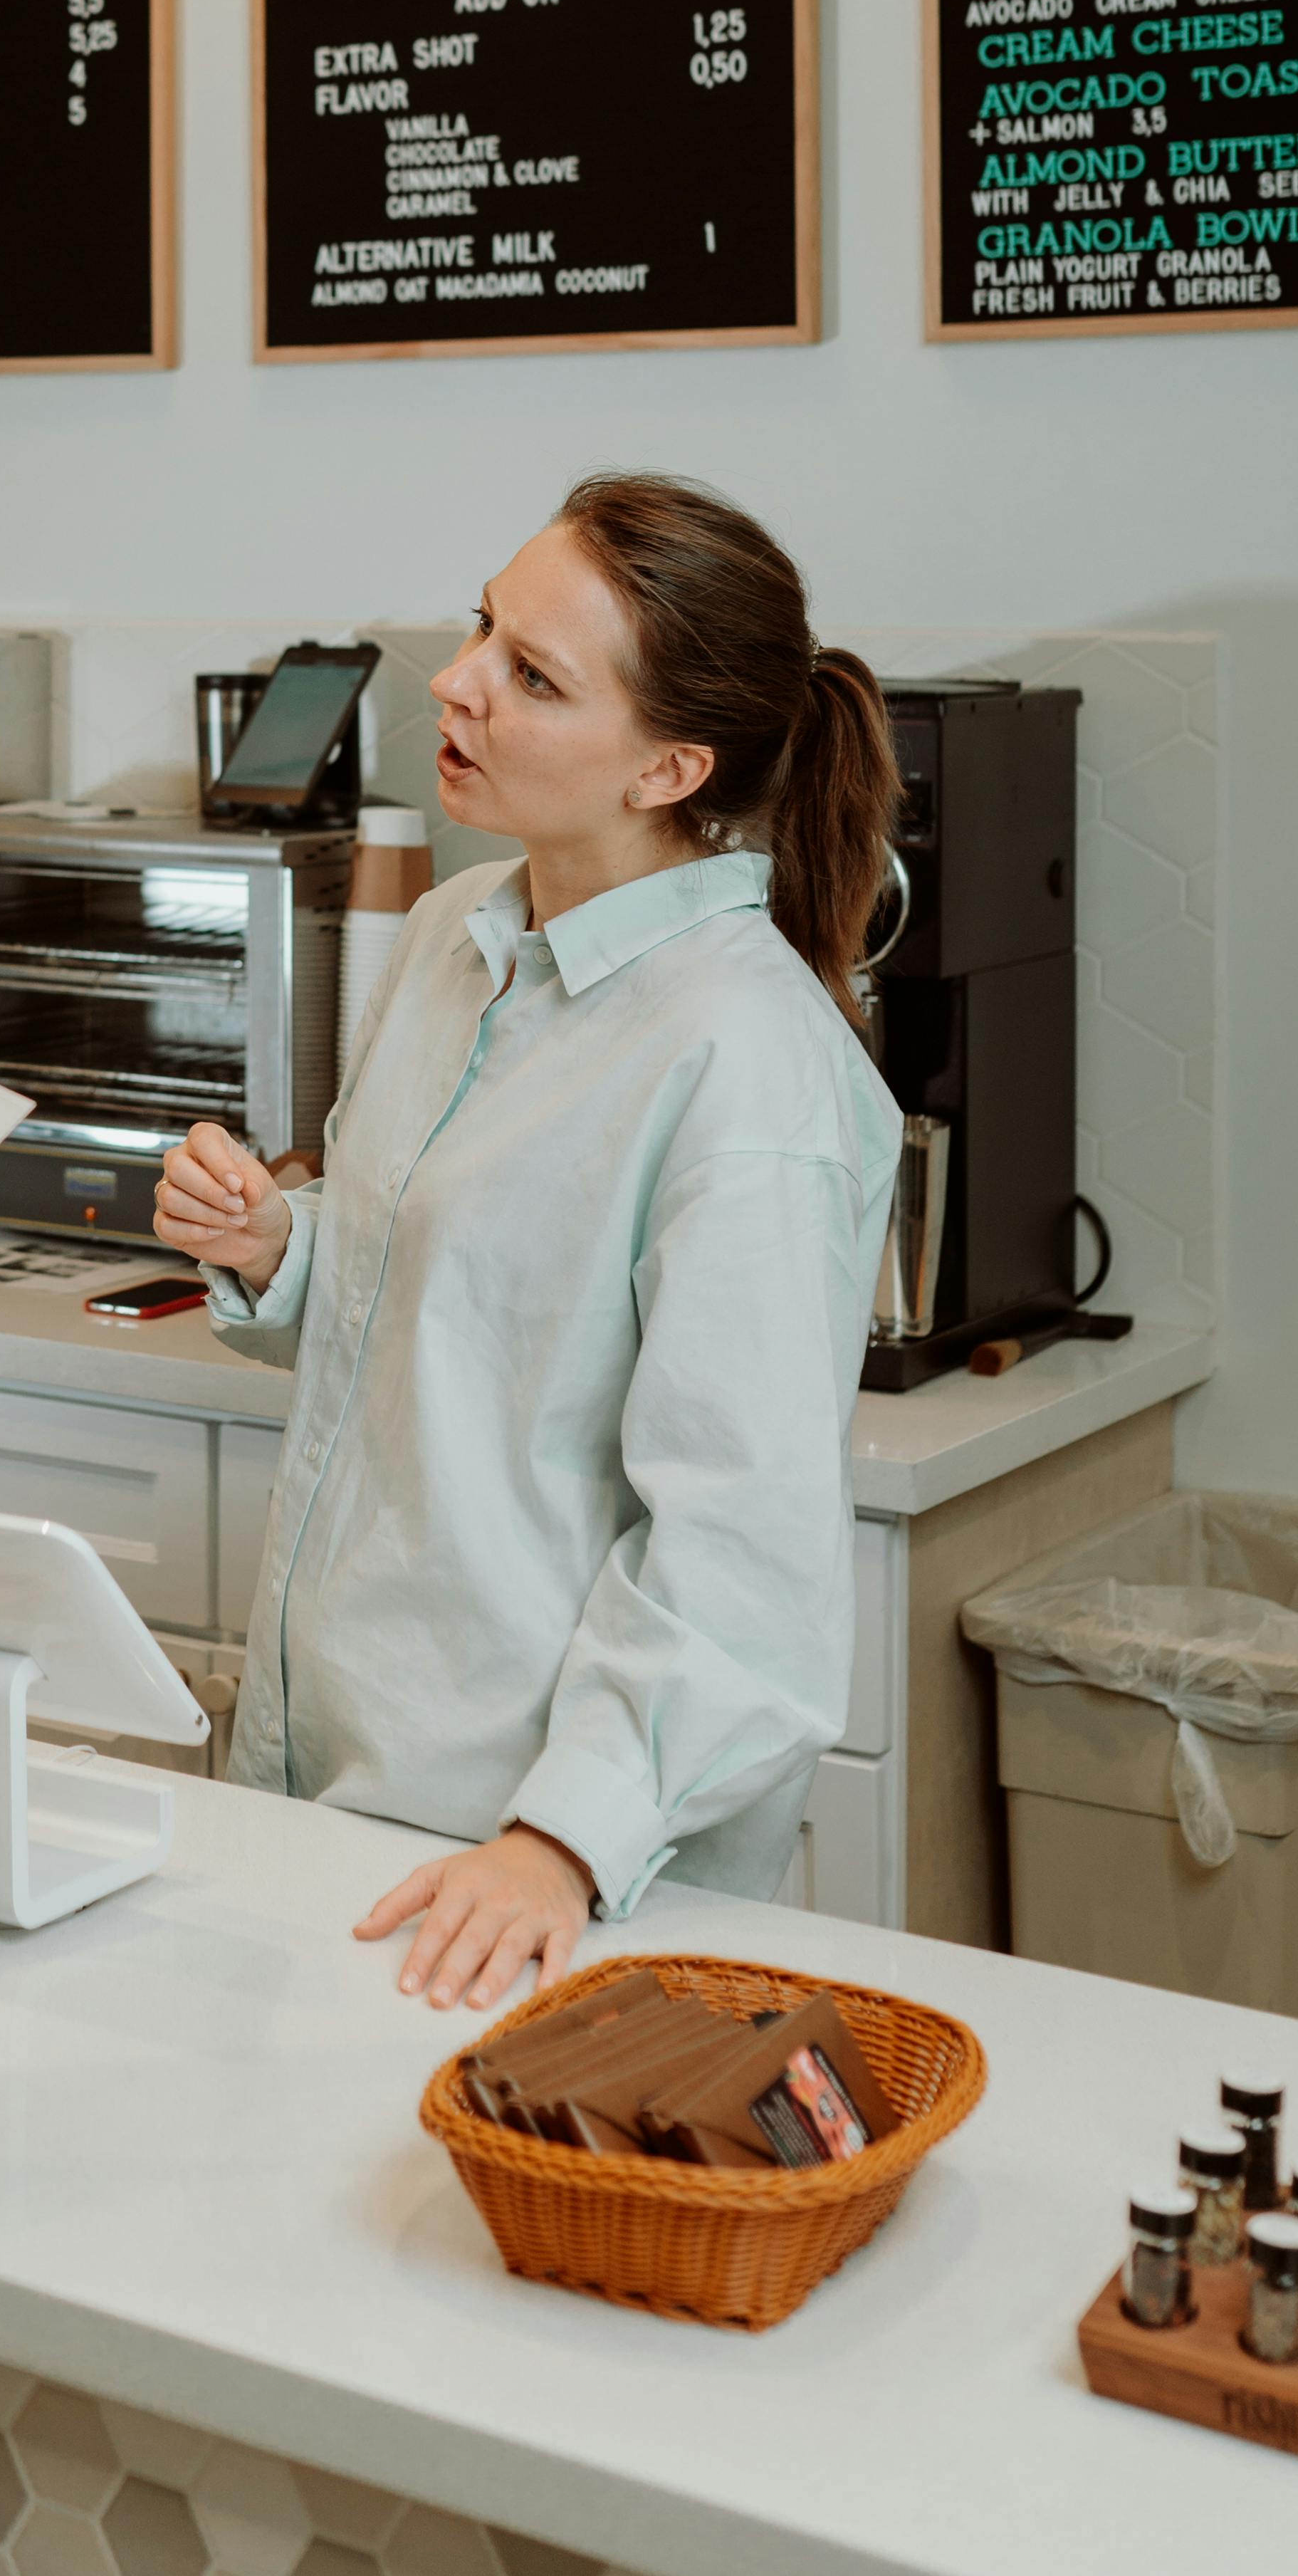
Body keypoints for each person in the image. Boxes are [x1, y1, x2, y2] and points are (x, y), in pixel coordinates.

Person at [156, 473, 903, 2021]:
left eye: (533, 675)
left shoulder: (746, 1067)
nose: (458, 678)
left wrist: (560, 1844)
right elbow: (444, 1329)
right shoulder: (459, 939)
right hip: (328, 1785)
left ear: (669, 767)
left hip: (536, 1871)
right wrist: (281, 1246)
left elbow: (742, 1559)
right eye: (486, 624)